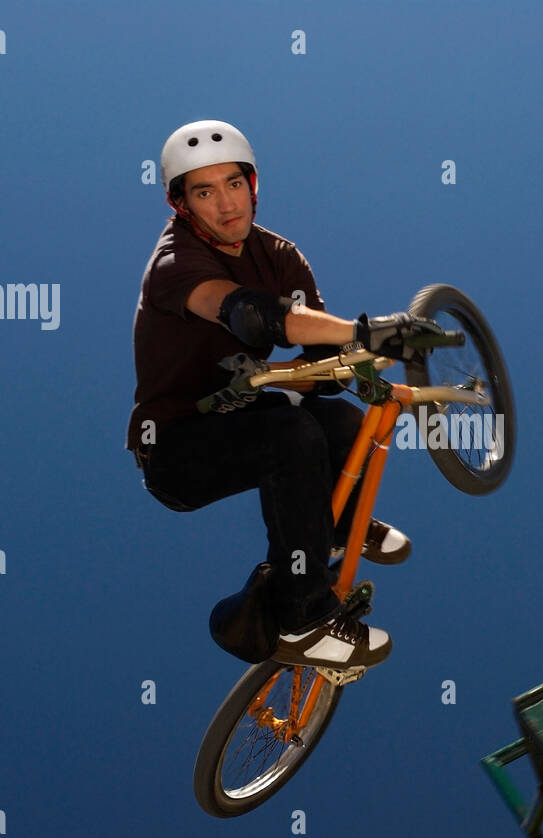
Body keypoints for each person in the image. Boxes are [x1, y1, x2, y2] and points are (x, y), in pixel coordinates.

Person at [125, 119, 439, 671]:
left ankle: (340, 527)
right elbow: (250, 313)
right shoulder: (175, 263)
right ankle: (303, 617)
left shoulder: (281, 258)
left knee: (338, 421)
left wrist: (353, 364)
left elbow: (322, 365)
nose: (226, 205)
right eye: (204, 192)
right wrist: (361, 332)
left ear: (253, 185)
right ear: (182, 206)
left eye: (234, 184)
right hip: (174, 448)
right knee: (290, 433)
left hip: (245, 412)